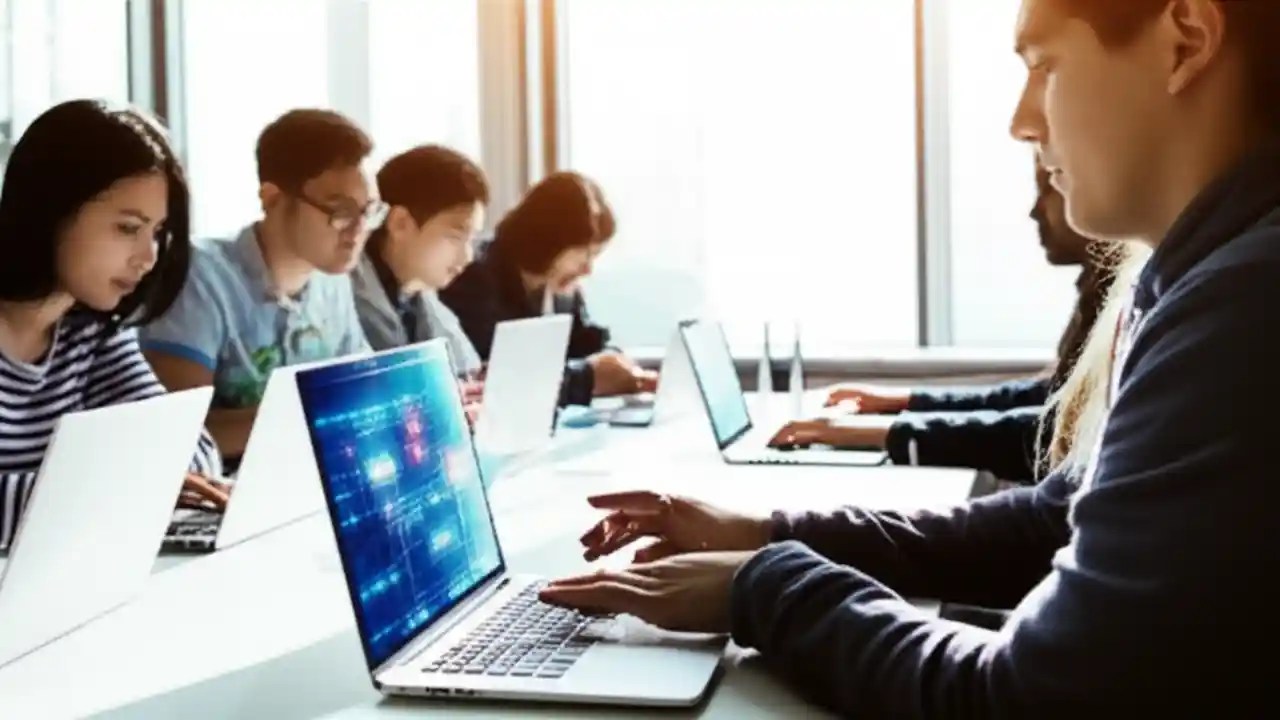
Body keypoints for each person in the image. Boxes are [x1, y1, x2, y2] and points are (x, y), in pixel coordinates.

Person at [539, 0, 1280, 715]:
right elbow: (1050, 524)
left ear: (1185, 39)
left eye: (1044, 65)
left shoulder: (1243, 305)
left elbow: (1027, 697)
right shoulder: (1207, 280)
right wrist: (763, 531)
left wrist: (759, 586)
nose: (1022, 121)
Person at [768, 160, 1118, 482]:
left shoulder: (1121, 300)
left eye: (1049, 184)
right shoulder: (1099, 291)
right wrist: (900, 402)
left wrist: (879, 431)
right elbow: (1054, 395)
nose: (1033, 211)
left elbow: (1052, 432)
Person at [0, 100, 228, 551]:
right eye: (127, 228)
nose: (148, 258)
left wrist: (112, 487)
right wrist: (130, 484)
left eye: (157, 232)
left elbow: (194, 452)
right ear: (50, 211)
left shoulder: (91, 329)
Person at [141, 109, 380, 466]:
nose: (358, 229)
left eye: (370, 211)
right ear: (271, 199)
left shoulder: (334, 281)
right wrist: (316, 417)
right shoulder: (200, 277)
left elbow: (364, 394)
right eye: (340, 210)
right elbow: (177, 436)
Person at [439, 171, 656, 406]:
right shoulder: (473, 281)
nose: (587, 270)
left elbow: (587, 343)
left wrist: (616, 363)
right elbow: (498, 380)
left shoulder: (560, 291)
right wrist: (589, 377)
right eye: (584, 255)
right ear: (550, 241)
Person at [351, 145, 487, 371]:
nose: (468, 256)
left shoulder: (417, 295)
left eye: (472, 239)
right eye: (455, 236)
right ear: (400, 223)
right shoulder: (343, 297)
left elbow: (468, 372)